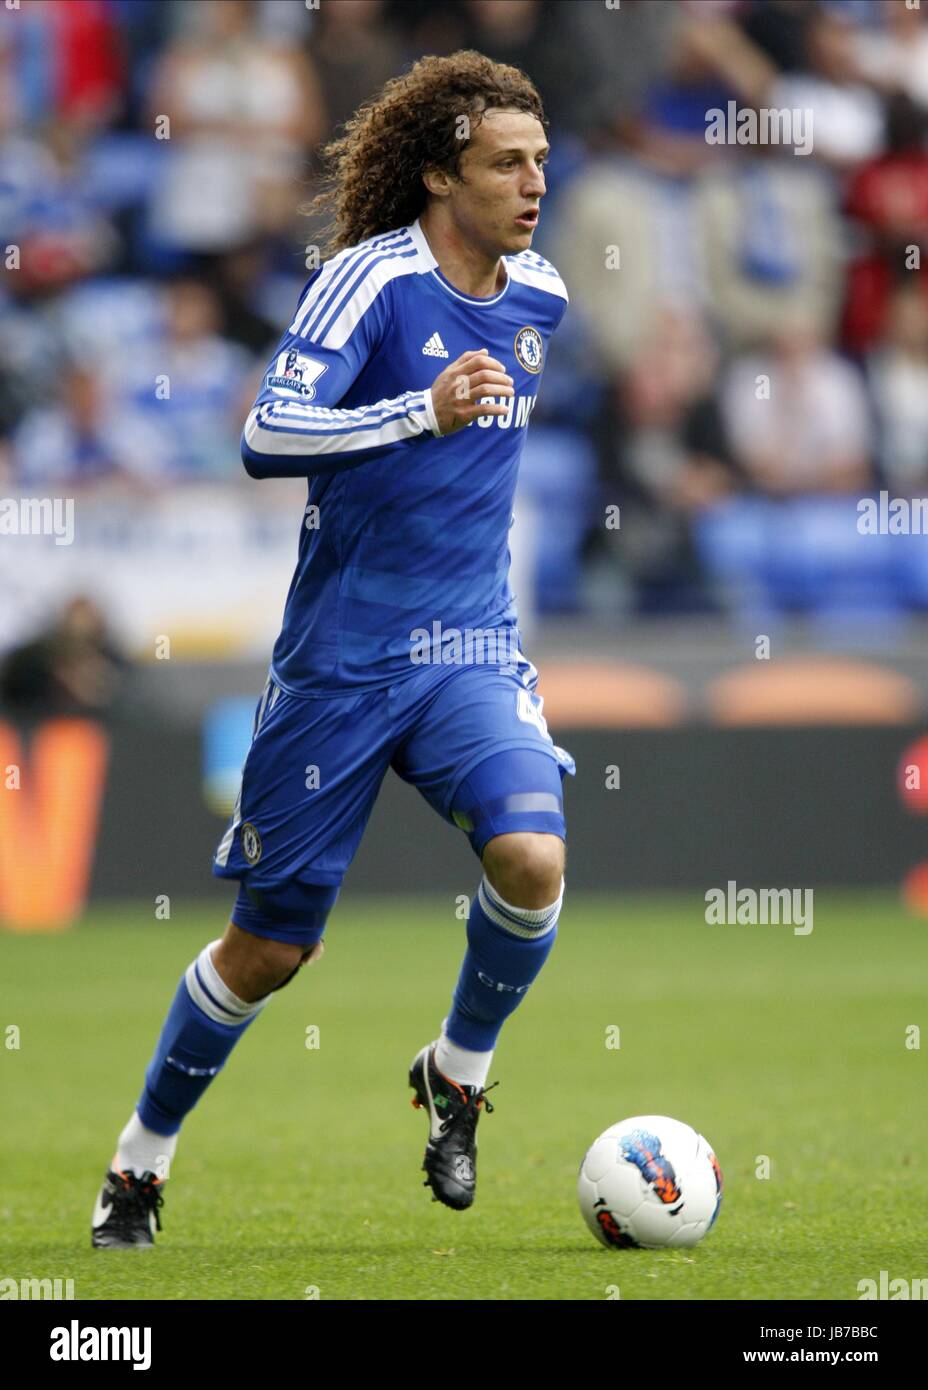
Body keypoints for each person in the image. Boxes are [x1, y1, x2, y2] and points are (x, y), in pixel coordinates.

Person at [91, 50, 574, 1248]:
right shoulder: (368, 282)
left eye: (541, 164)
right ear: (435, 175)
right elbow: (264, 433)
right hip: (342, 664)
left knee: (530, 858)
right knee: (270, 951)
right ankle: (138, 1165)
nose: (531, 186)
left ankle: (455, 1075)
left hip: (469, 644)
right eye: (505, 165)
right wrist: (418, 408)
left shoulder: (542, 295)